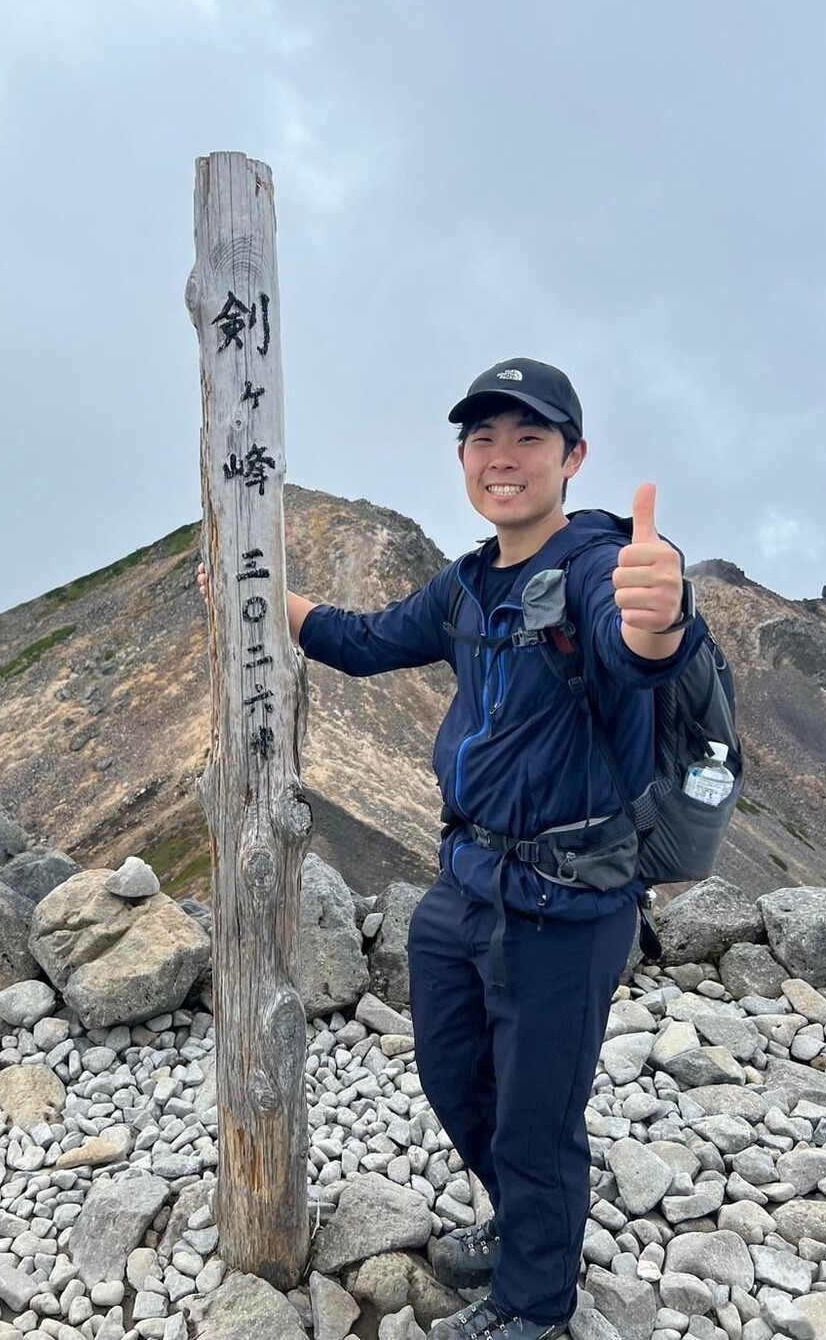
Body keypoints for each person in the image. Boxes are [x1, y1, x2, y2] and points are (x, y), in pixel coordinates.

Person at [199, 358, 707, 1340]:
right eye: (481, 438)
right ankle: (530, 1215)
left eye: (527, 436)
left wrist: (659, 623)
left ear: (573, 455)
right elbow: (359, 638)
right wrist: (253, 593)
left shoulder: (600, 567)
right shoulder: (469, 585)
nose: (501, 457)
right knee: (448, 1067)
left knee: (532, 1112)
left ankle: (533, 1300)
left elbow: (632, 641)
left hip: (568, 899)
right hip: (465, 882)